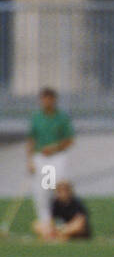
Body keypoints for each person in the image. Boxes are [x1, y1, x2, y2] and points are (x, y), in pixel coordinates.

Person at [25, 87, 75, 236]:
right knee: (42, 191)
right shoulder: (37, 117)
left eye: (49, 99)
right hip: (41, 158)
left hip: (56, 157)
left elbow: (69, 140)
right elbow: (31, 139)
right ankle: (45, 222)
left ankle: (60, 220)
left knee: (57, 187)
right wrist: (30, 160)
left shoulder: (61, 117)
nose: (46, 102)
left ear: (54, 100)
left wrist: (55, 147)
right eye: (43, 99)